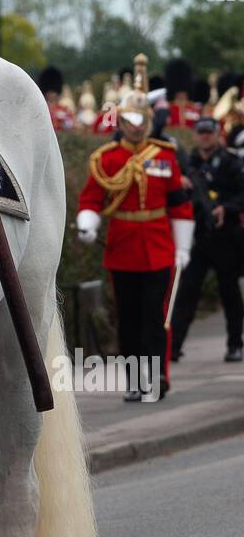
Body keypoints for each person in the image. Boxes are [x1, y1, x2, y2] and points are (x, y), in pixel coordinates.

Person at [76, 55, 194, 403]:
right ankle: (134, 380)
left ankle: (156, 377)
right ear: (122, 122)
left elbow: (178, 205)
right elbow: (91, 199)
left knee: (154, 319)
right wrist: (87, 223)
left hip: (159, 248)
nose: (136, 126)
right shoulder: (107, 159)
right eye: (130, 120)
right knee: (128, 320)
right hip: (123, 248)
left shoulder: (164, 156)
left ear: (148, 120)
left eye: (141, 120)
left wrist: (183, 246)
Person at [171, 118, 244, 363]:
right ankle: (174, 347)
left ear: (216, 134)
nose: (204, 137)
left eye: (208, 133)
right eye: (200, 132)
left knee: (230, 294)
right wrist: (182, 186)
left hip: (226, 239)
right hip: (200, 238)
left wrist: (227, 208)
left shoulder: (231, 163)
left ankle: (235, 344)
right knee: (187, 294)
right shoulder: (188, 163)